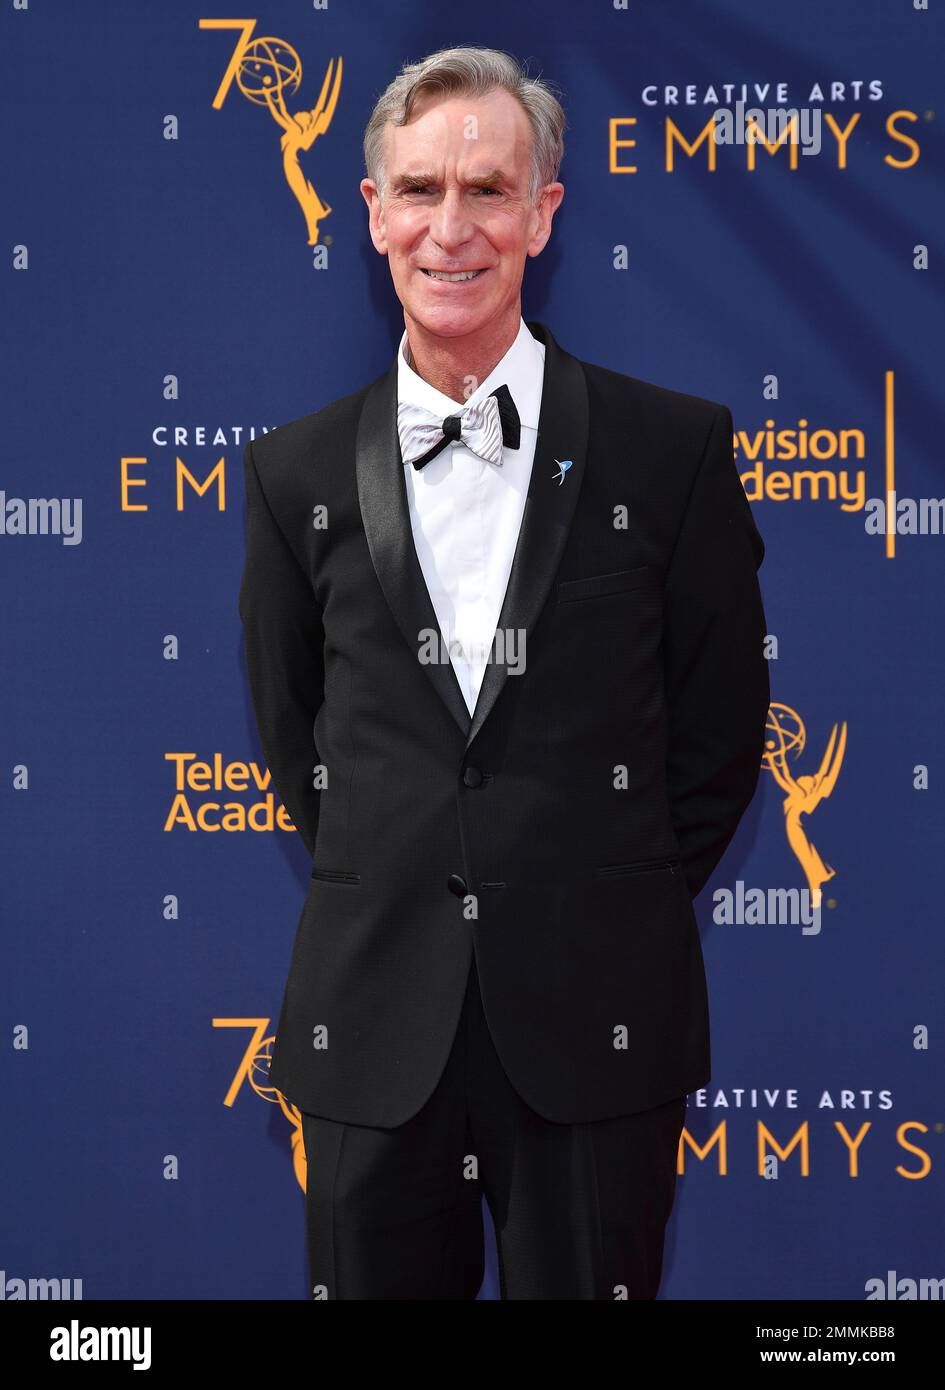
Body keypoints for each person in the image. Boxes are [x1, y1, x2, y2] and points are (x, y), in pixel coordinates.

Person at [238, 45, 770, 1300]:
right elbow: (298, 730)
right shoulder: (291, 476)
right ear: (371, 214)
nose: (451, 228)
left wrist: (589, 879)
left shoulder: (672, 451)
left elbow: (714, 738)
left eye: (488, 190)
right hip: (371, 1023)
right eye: (419, 190)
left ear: (544, 212)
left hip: (597, 1019)